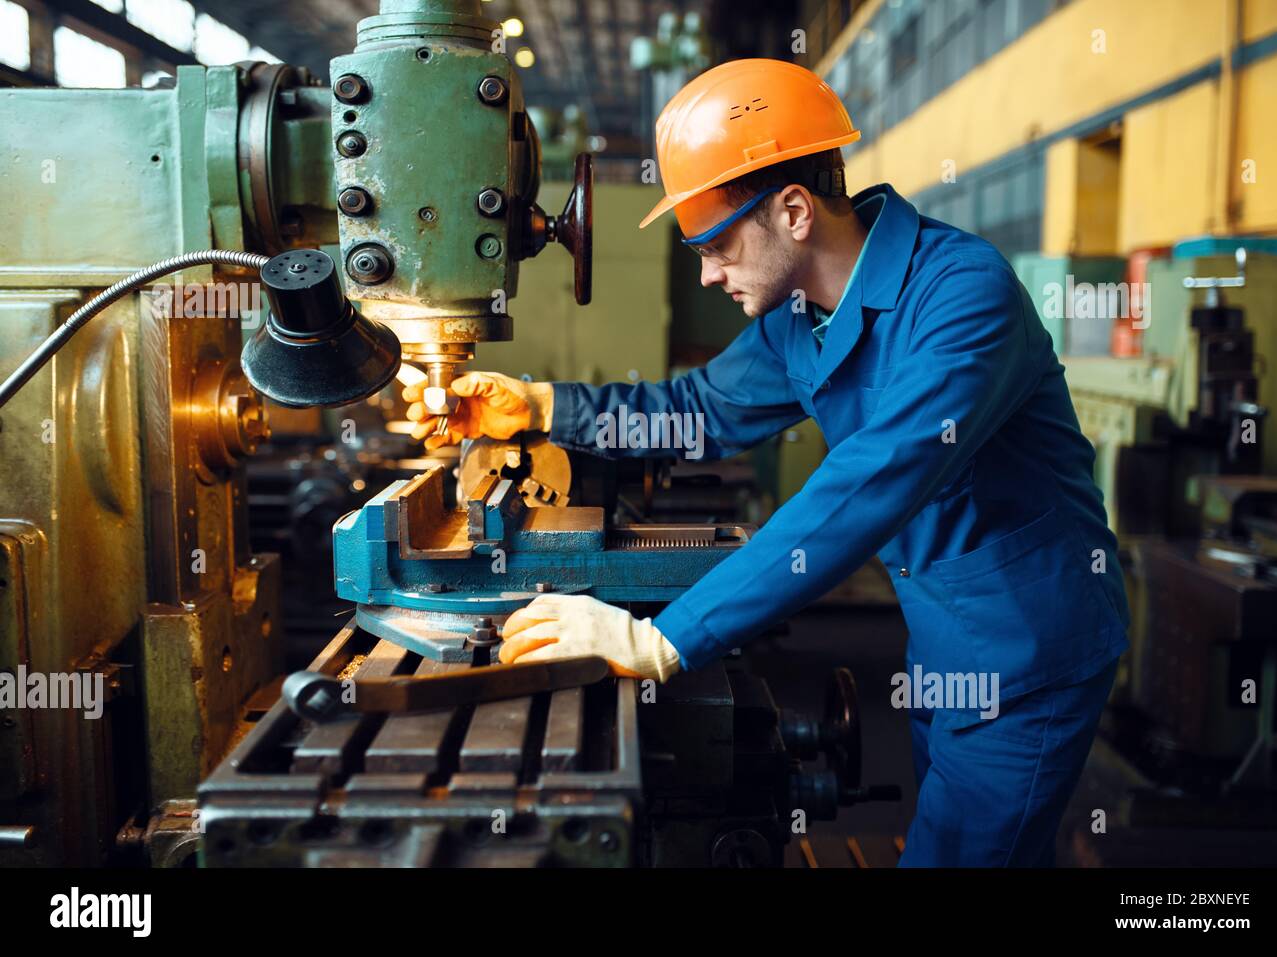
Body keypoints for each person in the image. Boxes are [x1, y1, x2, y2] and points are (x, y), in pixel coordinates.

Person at [403, 59, 1129, 866]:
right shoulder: (797, 319)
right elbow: (696, 412)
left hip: (1027, 651)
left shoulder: (962, 294)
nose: (708, 272)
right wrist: (536, 405)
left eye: (715, 244)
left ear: (791, 210)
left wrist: (662, 641)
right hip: (943, 639)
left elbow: (875, 481)